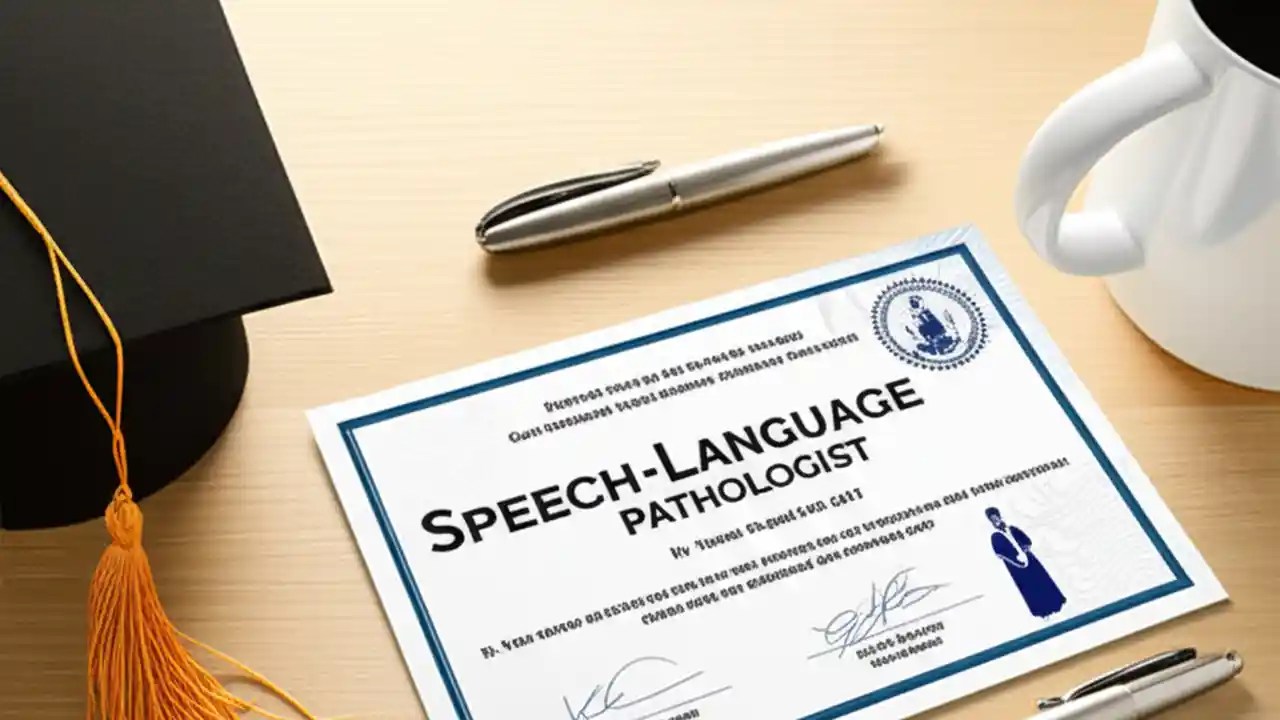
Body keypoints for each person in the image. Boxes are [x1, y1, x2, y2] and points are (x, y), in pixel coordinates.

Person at [987, 507, 1066, 618]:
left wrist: (1025, 548)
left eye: (996, 517)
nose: (996, 520)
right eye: (993, 519)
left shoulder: (1012, 529)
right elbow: (1000, 553)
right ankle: (1043, 611)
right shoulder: (996, 536)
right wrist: (1016, 560)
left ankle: (1056, 603)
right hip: (1018, 569)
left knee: (1042, 582)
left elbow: (1027, 540)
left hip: (1031, 563)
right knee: (1031, 589)